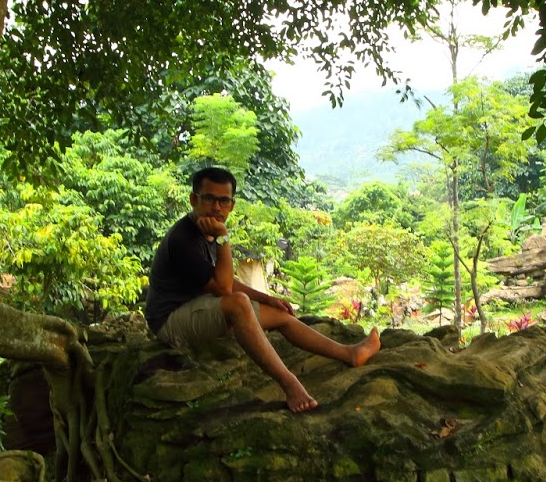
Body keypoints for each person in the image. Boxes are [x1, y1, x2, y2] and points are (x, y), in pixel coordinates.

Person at [145, 167, 382, 412]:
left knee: (279, 314)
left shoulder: (209, 231)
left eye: (223, 200)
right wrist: (223, 237)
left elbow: (221, 282)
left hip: (199, 307)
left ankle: (350, 353)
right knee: (238, 303)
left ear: (232, 205)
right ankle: (290, 384)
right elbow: (225, 288)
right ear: (194, 199)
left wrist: (267, 298)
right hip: (169, 322)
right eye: (209, 198)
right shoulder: (183, 239)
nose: (216, 207)